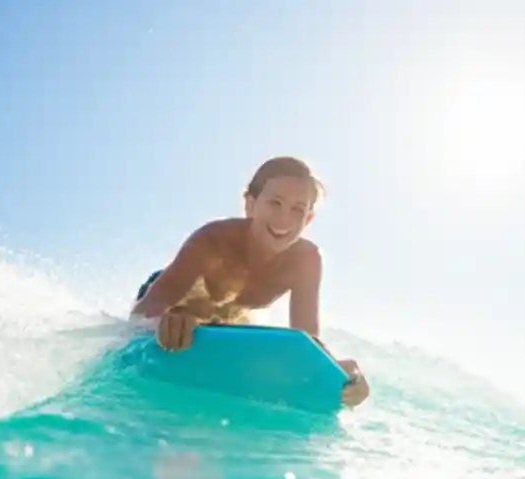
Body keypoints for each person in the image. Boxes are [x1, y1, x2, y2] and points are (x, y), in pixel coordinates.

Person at [131, 156, 370, 407]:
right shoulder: (214, 240)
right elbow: (146, 308)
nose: (284, 219)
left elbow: (307, 342)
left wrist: (344, 376)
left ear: (308, 219)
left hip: (225, 321)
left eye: (298, 209)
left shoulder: (306, 261)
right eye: (275, 203)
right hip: (172, 303)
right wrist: (161, 321)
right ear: (250, 204)